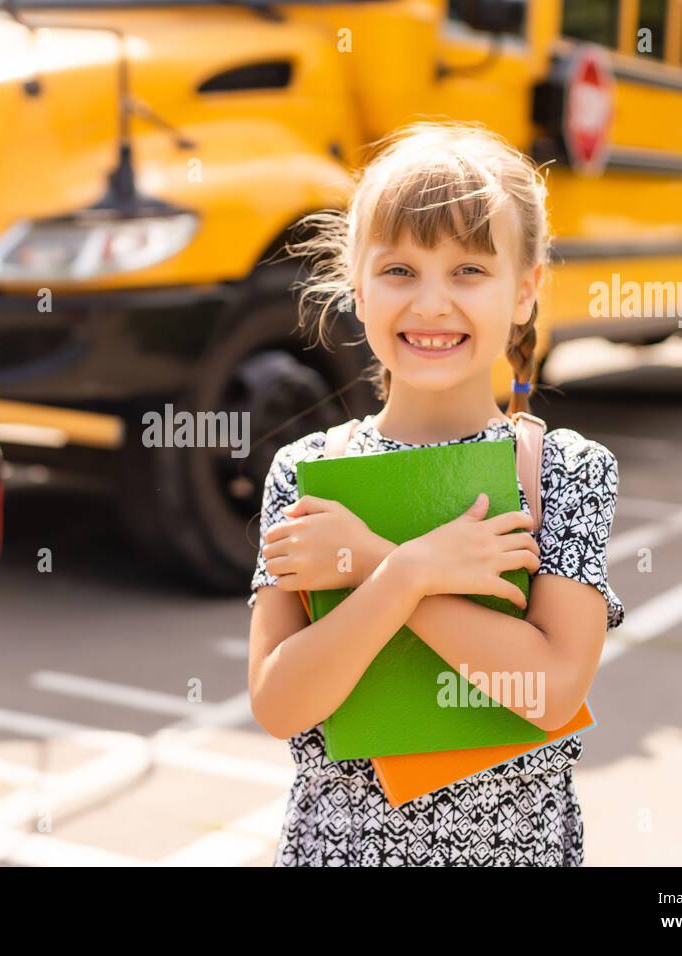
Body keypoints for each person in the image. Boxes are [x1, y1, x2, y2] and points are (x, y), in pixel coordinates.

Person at [247, 121, 625, 866]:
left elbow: (547, 689)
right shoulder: (307, 470)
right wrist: (408, 573)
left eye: (468, 271)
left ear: (526, 291)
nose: (430, 303)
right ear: (355, 287)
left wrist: (375, 560)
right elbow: (280, 703)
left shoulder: (562, 470)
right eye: (399, 271)